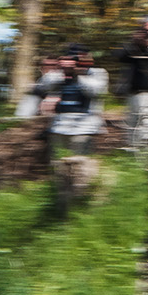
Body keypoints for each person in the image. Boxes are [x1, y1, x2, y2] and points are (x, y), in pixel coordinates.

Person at [29, 45, 108, 211]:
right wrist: (60, 70)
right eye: (73, 59)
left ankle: (81, 205)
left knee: (81, 170)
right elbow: (42, 86)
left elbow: (96, 91)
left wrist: (76, 74)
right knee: (58, 170)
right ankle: (62, 204)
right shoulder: (58, 75)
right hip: (59, 128)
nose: (76, 62)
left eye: (80, 58)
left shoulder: (98, 73)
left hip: (84, 128)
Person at [115, 16, 148, 151]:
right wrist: (134, 44)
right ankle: (132, 150)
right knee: (132, 121)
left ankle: (147, 151)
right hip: (133, 90)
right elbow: (119, 56)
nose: (147, 33)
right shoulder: (134, 44)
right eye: (145, 29)